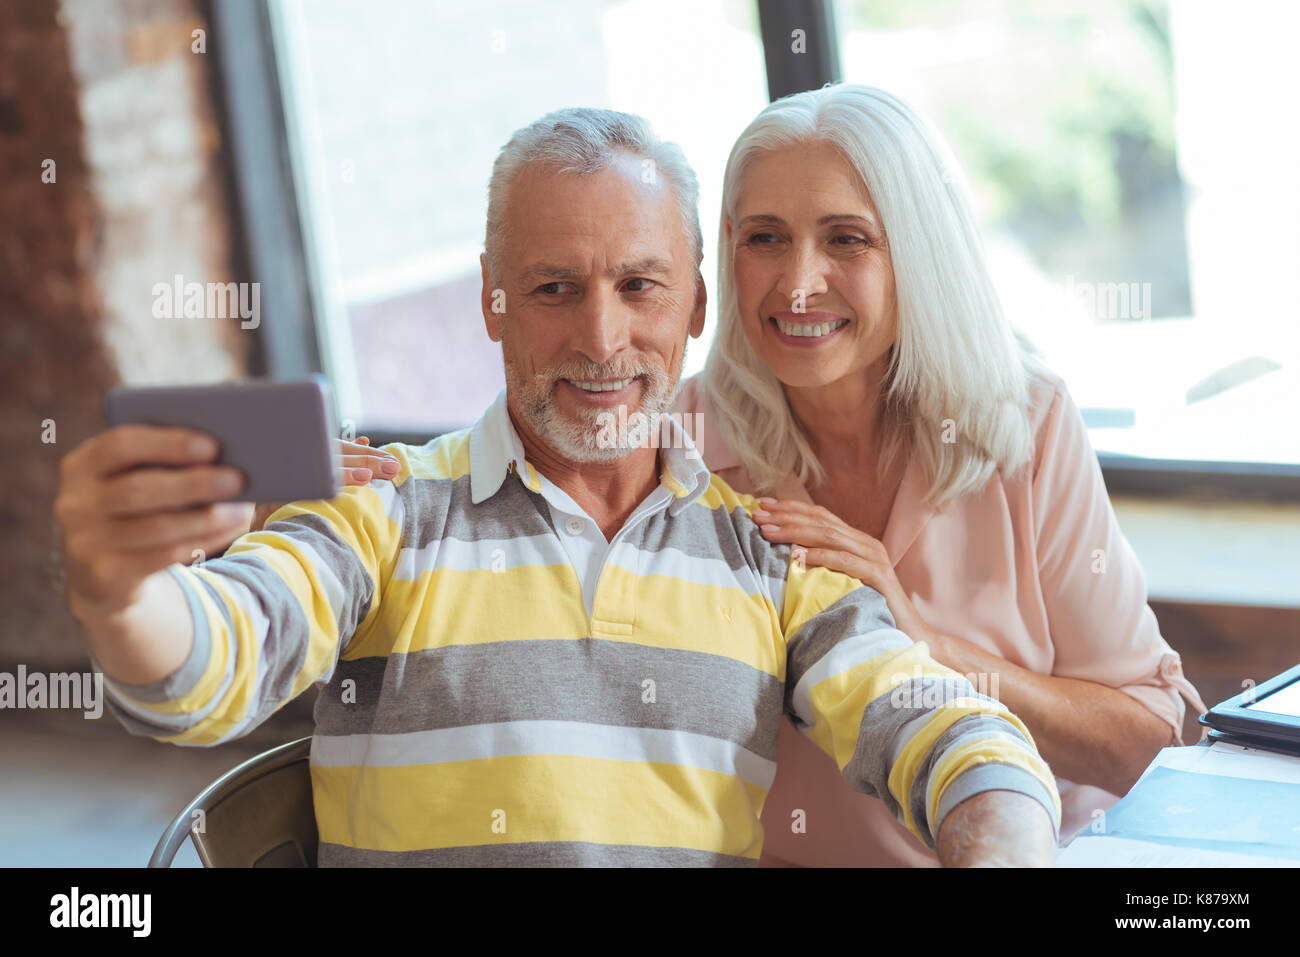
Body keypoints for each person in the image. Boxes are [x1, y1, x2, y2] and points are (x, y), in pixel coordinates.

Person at [55, 107, 1062, 867]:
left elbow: (955, 733)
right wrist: (123, 592)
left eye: (638, 285)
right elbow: (207, 664)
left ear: (697, 305)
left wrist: (998, 838)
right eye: (552, 289)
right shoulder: (376, 507)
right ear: (491, 300)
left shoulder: (773, 552)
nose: (599, 338)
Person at [672, 84, 1208, 866]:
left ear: (915, 248)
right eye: (765, 238)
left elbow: (1155, 740)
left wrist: (929, 645)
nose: (796, 283)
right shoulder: (681, 443)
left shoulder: (1025, 423)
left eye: (846, 239)